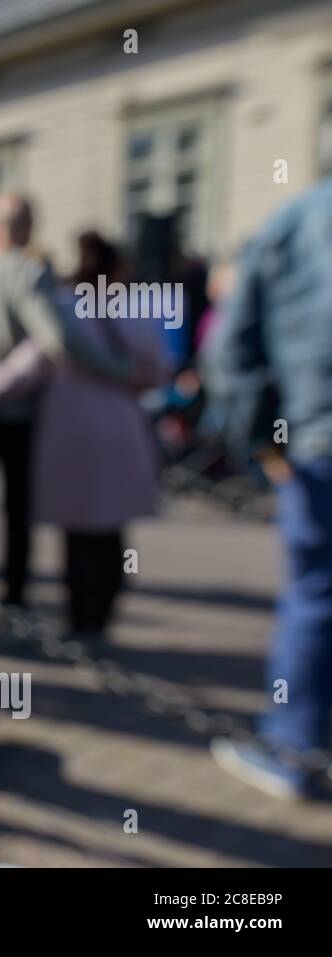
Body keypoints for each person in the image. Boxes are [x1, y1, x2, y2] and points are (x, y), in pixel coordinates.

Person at [0, 231, 170, 640]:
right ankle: (99, 621)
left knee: (77, 536)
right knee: (110, 532)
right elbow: (157, 372)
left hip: (68, 438)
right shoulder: (136, 313)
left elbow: (16, 375)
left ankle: (78, 618)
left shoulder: (62, 309)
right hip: (121, 437)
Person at [207, 175, 332, 799]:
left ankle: (296, 747)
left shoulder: (294, 222)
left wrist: (262, 440)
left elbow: (236, 347)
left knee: (315, 598)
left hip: (319, 443)